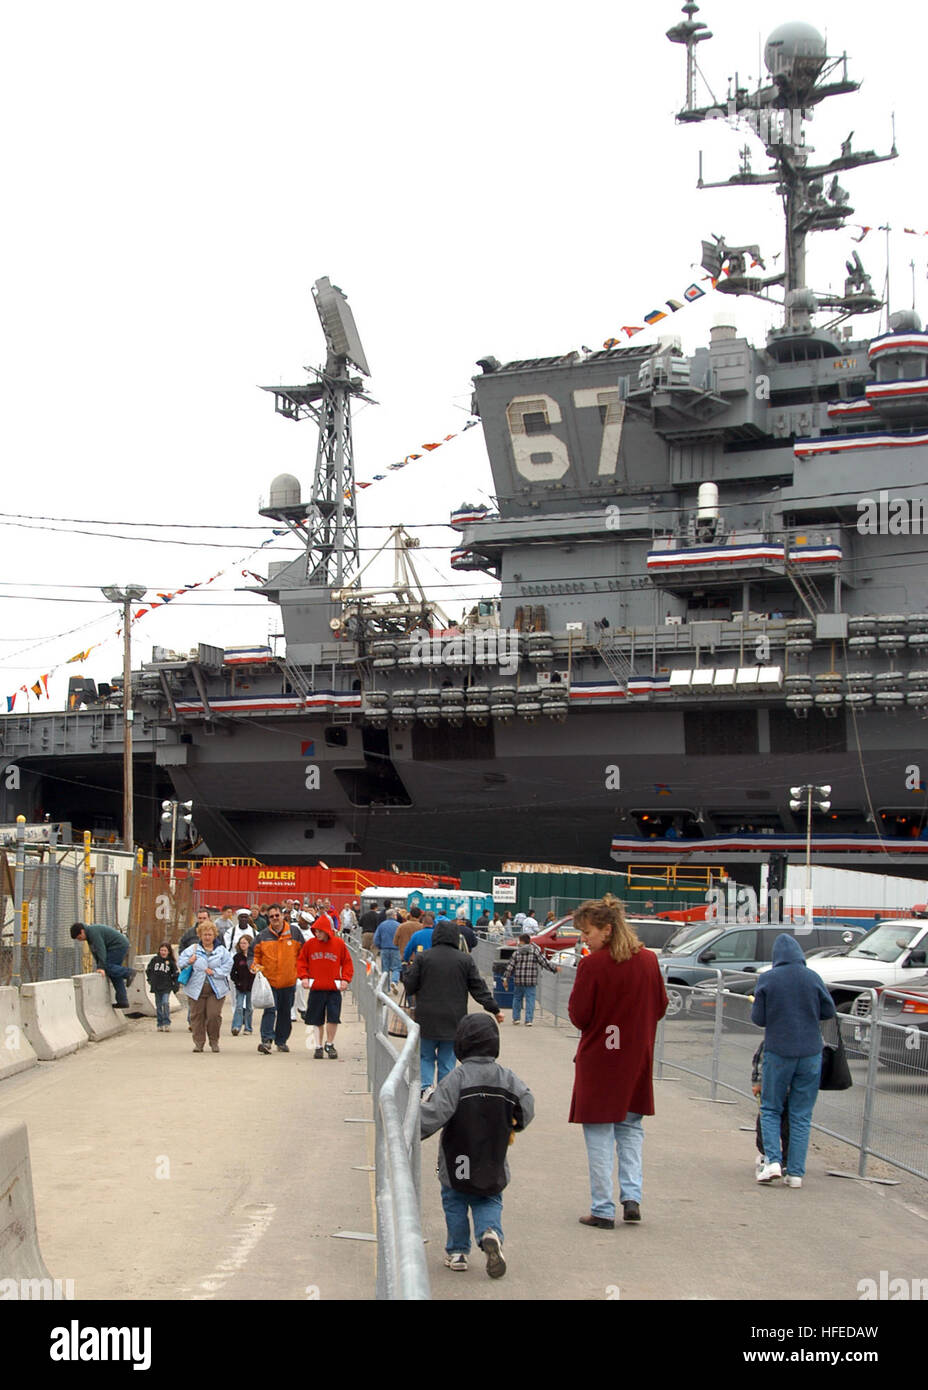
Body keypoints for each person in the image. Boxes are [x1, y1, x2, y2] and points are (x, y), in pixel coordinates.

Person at [568, 896, 667, 1228]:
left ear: (607, 930)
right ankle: (632, 1197)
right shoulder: (650, 961)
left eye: (587, 932)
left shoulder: (592, 965)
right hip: (636, 1058)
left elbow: (580, 1016)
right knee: (630, 1129)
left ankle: (602, 1208)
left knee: (598, 1132)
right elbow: (661, 1006)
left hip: (600, 1060)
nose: (584, 938)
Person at [420, 1013, 534, 1277]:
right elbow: (526, 1105)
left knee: (455, 1199)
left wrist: (408, 1130)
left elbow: (434, 1113)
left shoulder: (455, 1080)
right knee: (489, 1198)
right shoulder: (508, 1078)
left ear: (461, 1044)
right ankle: (489, 1232)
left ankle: (458, 1252)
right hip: (492, 1157)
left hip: (457, 1158)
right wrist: (516, 1124)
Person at [750, 933, 837, 1187]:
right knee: (801, 1114)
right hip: (810, 1053)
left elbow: (759, 1019)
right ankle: (796, 1173)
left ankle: (773, 1161)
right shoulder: (813, 978)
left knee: (770, 1108)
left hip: (779, 1051)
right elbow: (828, 1010)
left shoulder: (768, 979)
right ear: (800, 955)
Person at [404, 918, 503, 1094]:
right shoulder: (465, 960)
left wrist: (407, 971)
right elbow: (478, 988)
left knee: (425, 1056)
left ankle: (425, 1090)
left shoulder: (423, 958)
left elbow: (410, 987)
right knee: (447, 1060)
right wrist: (494, 1008)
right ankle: (445, 1093)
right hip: (454, 1019)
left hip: (426, 1017)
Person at [296, 913, 354, 1059]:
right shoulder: (310, 944)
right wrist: (303, 977)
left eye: (320, 931)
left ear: (327, 931)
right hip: (316, 988)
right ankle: (318, 1045)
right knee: (316, 1019)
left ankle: (330, 1043)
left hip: (333, 988)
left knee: (333, 1018)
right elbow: (301, 962)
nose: (317, 933)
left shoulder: (338, 944)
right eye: (315, 931)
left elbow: (347, 963)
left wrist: (346, 979)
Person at [251, 903, 305, 1055]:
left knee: (285, 1012)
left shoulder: (295, 933)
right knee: (270, 1009)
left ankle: (281, 1041)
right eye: (271, 916)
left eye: (277, 915)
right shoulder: (262, 936)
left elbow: (303, 954)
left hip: (289, 981)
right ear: (268, 918)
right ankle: (266, 1040)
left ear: (282, 916)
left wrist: (301, 973)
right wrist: (256, 968)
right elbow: (253, 955)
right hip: (269, 981)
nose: (275, 918)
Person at [177, 919, 233, 1053]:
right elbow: (181, 961)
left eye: (210, 934)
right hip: (196, 988)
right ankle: (199, 1043)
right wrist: (189, 961)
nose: (207, 937)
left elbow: (228, 965)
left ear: (214, 936)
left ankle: (214, 1041)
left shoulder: (221, 951)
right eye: (204, 935)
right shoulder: (193, 949)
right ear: (200, 936)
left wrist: (215, 972)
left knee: (213, 1015)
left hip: (216, 989)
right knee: (197, 1016)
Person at [69, 922, 136, 1009]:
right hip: (116, 946)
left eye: (79, 937)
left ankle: (129, 973)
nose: (80, 940)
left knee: (108, 967)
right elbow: (96, 952)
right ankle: (122, 1001)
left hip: (118, 946)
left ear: (82, 931)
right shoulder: (89, 935)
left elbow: (101, 950)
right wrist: (99, 965)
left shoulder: (93, 933)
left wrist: (101, 967)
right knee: (115, 973)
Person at [751, 1040, 789, 1177]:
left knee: (767, 1118)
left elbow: (759, 1060)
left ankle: (772, 1160)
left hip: (773, 1087)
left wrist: (757, 1082)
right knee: (791, 1123)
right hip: (793, 1089)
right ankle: (788, 1163)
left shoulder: (773, 1037)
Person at [503, 933, 559, 1026]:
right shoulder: (534, 951)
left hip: (519, 980)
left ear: (522, 941)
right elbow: (544, 962)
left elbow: (510, 966)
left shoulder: (517, 953)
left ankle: (516, 1018)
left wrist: (505, 978)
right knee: (530, 1000)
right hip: (531, 980)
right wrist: (554, 968)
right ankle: (528, 1020)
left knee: (517, 999)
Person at [146, 943, 178, 1031]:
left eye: (165, 951)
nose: (163, 952)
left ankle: (167, 1023)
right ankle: (160, 1023)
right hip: (156, 986)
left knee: (165, 1003)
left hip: (166, 986)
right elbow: (148, 970)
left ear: (168, 952)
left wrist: (175, 985)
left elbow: (175, 974)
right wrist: (150, 980)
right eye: (161, 950)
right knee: (158, 1005)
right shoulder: (155, 960)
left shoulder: (170, 962)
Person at [229, 935, 255, 1036]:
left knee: (249, 1007)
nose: (242, 945)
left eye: (245, 943)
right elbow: (232, 972)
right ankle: (236, 1026)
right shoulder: (237, 957)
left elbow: (259, 970)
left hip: (251, 986)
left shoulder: (253, 957)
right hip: (240, 985)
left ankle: (248, 1027)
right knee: (239, 1006)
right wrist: (237, 981)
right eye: (241, 943)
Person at [373, 910, 401, 988]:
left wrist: (379, 946)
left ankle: (386, 988)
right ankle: (394, 981)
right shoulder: (398, 925)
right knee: (396, 968)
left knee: (385, 969)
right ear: (394, 916)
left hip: (384, 949)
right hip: (395, 949)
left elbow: (376, 938)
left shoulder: (381, 925)